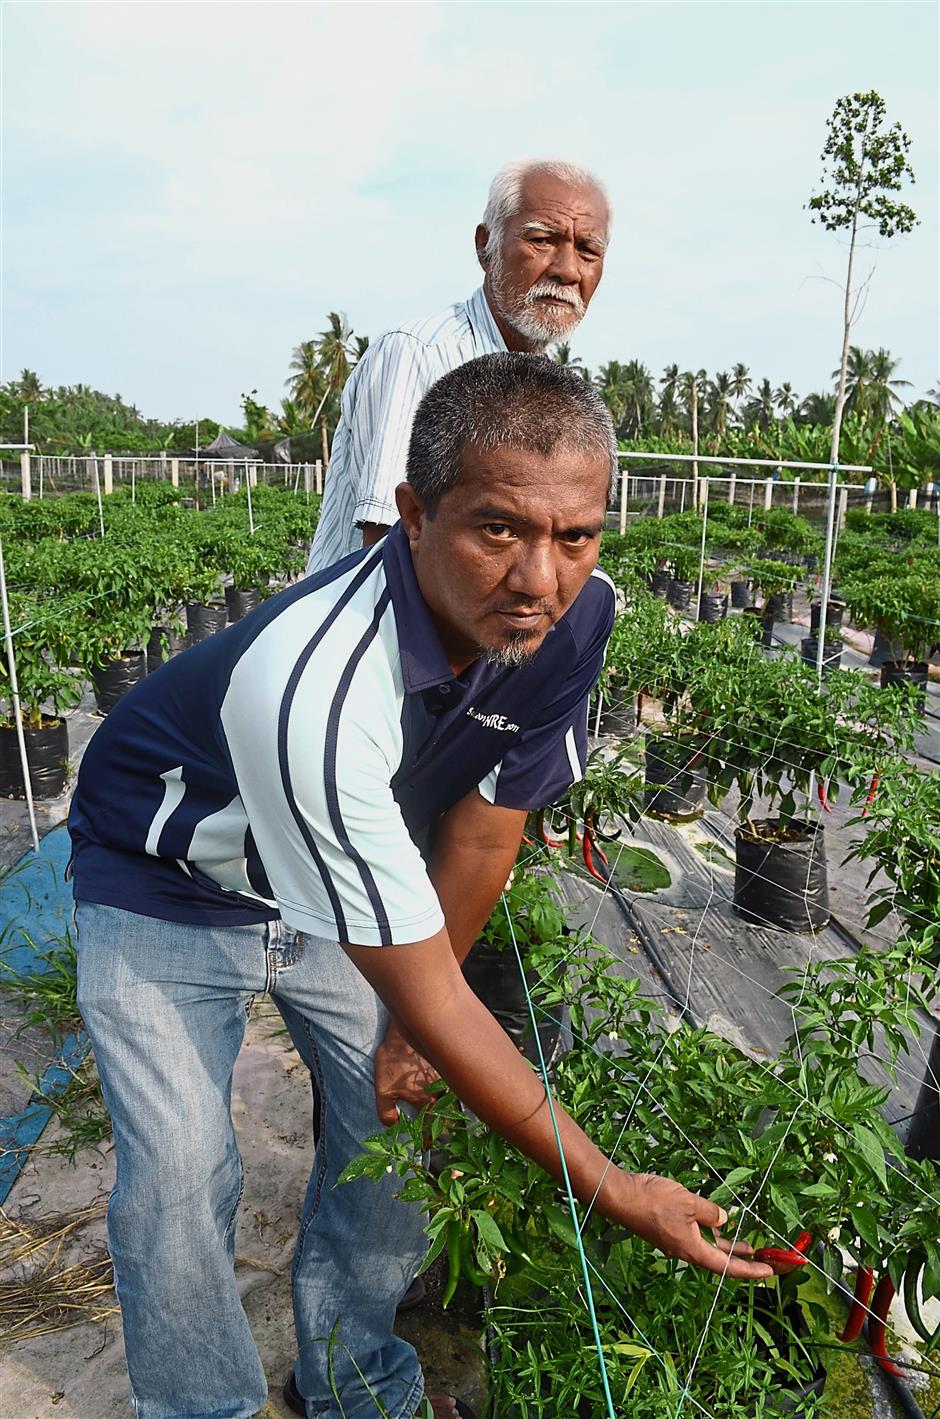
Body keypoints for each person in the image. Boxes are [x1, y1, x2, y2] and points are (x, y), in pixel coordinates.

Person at [69, 354, 771, 1419]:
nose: (537, 577)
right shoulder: (316, 682)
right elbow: (438, 991)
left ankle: (353, 1382)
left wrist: (409, 1035)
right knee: (177, 1171)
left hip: (339, 879)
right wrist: (614, 1188)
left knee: (400, 1128)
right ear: (411, 514)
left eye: (574, 536)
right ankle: (202, 1406)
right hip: (166, 879)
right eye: (498, 528)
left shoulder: (574, 618)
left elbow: (486, 833)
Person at [306, 158, 610, 574]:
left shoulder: (551, 388)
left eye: (588, 250)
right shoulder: (418, 354)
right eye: (542, 240)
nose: (567, 270)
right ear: (486, 246)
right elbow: (390, 553)